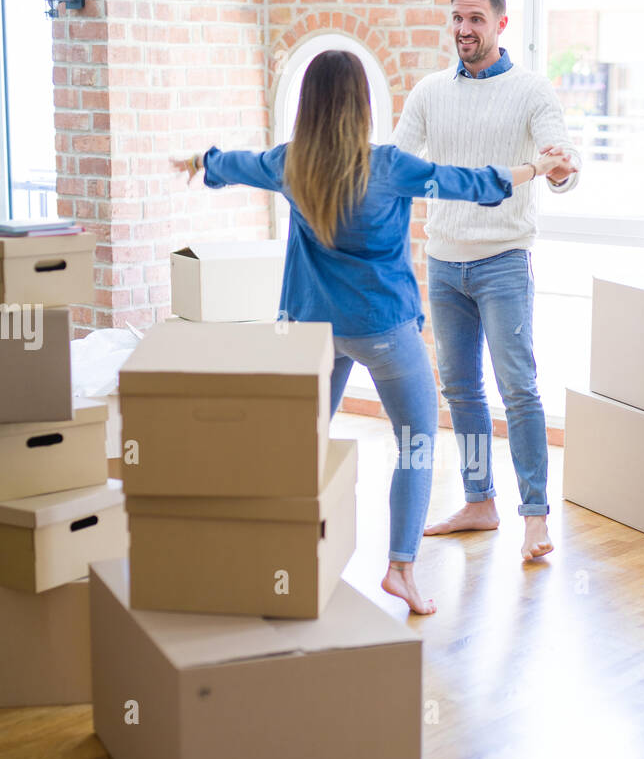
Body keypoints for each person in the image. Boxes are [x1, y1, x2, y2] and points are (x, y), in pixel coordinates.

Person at [172, 49, 571, 615]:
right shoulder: (387, 166)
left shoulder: (290, 163)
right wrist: (534, 169)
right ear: (362, 105)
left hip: (311, 328)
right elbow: (470, 183)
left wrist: (197, 161)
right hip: (383, 329)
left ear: (308, 106)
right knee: (415, 439)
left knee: (302, 441)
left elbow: (233, 165)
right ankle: (401, 570)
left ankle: (274, 554)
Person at [392, 0, 581, 563]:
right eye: (456, 18)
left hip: (503, 262)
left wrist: (560, 170)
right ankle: (479, 501)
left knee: (518, 388)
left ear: (501, 24)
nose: (463, 30)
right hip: (444, 262)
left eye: (475, 19)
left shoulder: (531, 91)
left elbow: (562, 162)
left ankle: (534, 515)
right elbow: (397, 165)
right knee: (462, 391)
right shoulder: (428, 92)